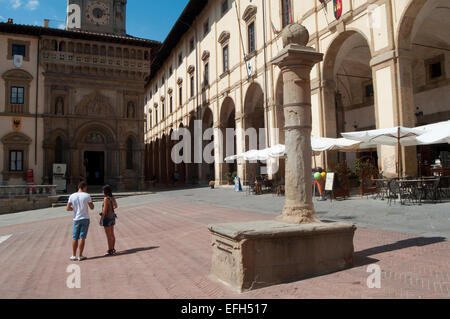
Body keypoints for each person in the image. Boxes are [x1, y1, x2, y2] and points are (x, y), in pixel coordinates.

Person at [67, 181, 94, 261]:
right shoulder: (87, 195)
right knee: (82, 237)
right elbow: (92, 207)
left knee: (75, 237)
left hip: (76, 218)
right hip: (85, 217)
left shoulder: (72, 196)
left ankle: (73, 255)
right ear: (84, 187)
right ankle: (80, 255)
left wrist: (74, 209)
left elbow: (67, 208)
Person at [99, 185, 118, 256]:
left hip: (107, 218)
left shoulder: (106, 199)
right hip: (112, 217)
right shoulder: (112, 197)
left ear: (105, 191)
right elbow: (116, 206)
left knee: (108, 235)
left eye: (103, 190)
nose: (102, 192)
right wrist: (111, 209)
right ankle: (112, 248)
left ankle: (110, 250)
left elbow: (104, 210)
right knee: (112, 234)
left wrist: (101, 219)